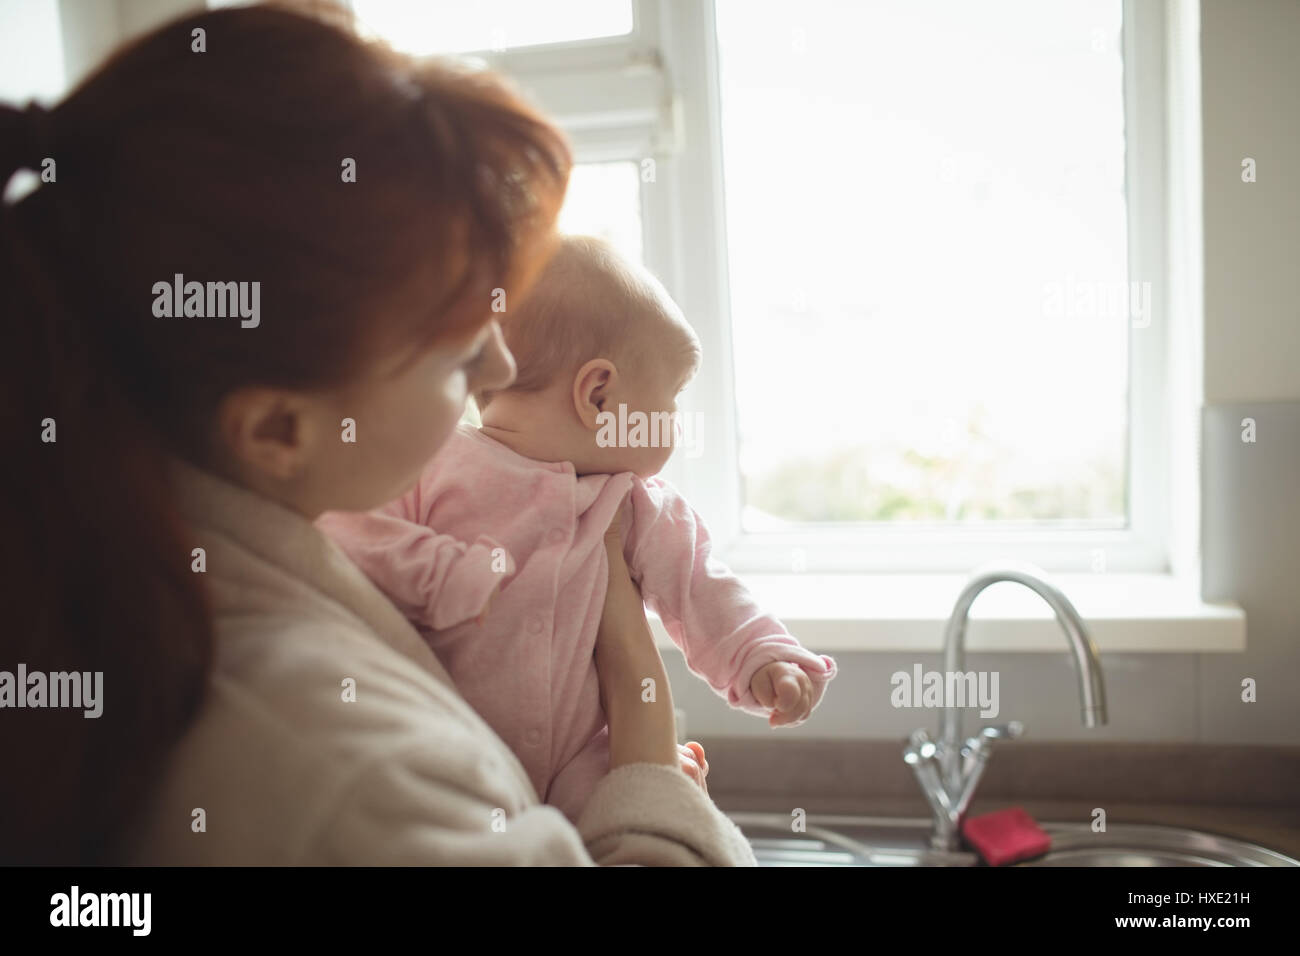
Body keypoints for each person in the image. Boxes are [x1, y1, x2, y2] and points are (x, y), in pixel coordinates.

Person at [0, 0, 756, 866]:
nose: (500, 373)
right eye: (458, 348)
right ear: (280, 429)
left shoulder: (130, 558)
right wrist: (646, 742)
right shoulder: (359, 784)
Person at [318, 234, 838, 824]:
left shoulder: (634, 503)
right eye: (671, 399)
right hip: (447, 746)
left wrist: (762, 655)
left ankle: (654, 792)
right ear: (598, 395)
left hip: (577, 759)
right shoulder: (433, 460)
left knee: (639, 791)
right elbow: (348, 534)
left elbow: (703, 586)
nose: (676, 423)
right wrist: (441, 571)